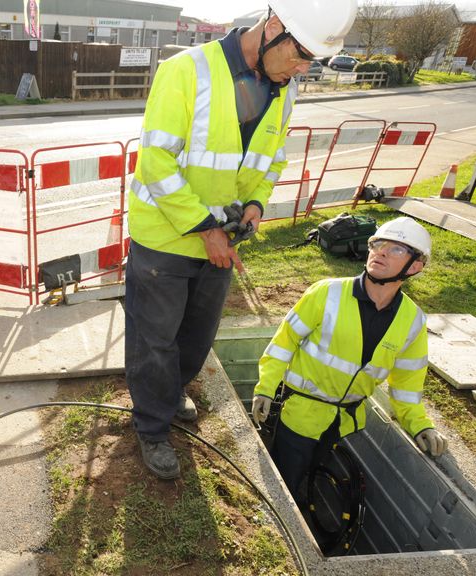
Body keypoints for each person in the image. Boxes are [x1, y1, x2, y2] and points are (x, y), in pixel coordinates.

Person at [125, 0, 358, 480]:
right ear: (273, 27)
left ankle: (173, 393)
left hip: (222, 241)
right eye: (299, 55)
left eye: (311, 61)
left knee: (196, 336)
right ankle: (151, 428)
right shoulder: (186, 70)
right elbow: (156, 163)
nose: (301, 68)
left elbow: (271, 162)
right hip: (166, 240)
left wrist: (254, 204)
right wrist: (204, 229)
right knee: (155, 340)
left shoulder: (284, 90)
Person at [251, 217, 448, 501]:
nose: (380, 252)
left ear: (415, 266)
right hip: (299, 415)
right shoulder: (327, 293)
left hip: (342, 422)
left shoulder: (413, 320)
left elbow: (407, 384)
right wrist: (265, 388)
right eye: (378, 245)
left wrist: (419, 424)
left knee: (313, 474)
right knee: (284, 482)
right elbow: (284, 343)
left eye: (395, 250)